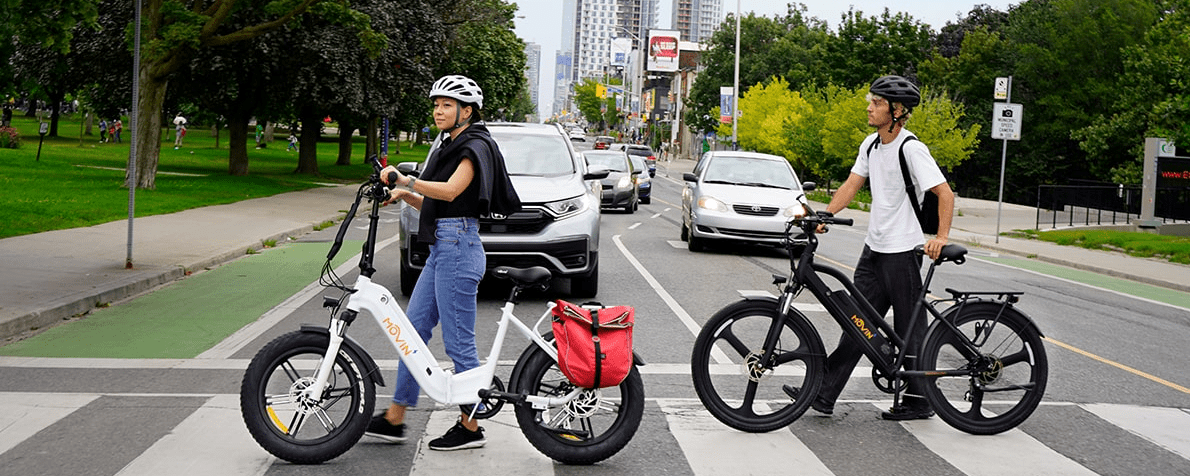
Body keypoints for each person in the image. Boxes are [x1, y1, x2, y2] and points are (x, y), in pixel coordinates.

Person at [364, 75, 520, 451]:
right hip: (443, 246)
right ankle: (395, 418)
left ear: (466, 111)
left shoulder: (473, 145)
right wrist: (405, 193)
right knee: (411, 334)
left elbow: (450, 191)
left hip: (458, 247)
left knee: (459, 344)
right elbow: (441, 205)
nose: (438, 110)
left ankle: (470, 427)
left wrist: (407, 179)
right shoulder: (447, 143)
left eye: (447, 104)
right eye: (436, 104)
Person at [792, 75, 954, 421]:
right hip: (875, 249)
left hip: (903, 249)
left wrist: (939, 236)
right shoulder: (871, 145)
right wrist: (827, 213)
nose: (869, 107)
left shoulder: (911, 148)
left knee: (911, 328)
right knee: (857, 323)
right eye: (871, 101)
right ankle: (824, 393)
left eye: (877, 103)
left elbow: (945, 193)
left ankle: (919, 400)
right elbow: (853, 183)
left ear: (897, 111)